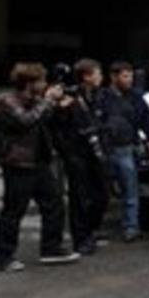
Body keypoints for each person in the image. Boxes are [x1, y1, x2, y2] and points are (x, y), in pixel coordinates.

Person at [0, 63, 80, 271]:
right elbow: (25, 121)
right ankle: (1, 256)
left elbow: (46, 121)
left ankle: (51, 248)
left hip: (39, 161)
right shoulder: (7, 101)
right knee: (13, 211)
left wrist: (59, 106)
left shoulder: (36, 101)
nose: (44, 84)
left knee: (55, 203)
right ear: (28, 83)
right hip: (17, 163)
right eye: (40, 81)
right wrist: (47, 101)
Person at [98, 60, 149, 242]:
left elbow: (147, 119)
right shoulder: (102, 97)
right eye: (125, 76)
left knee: (130, 189)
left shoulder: (135, 98)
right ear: (114, 77)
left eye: (130, 76)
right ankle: (95, 226)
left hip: (126, 147)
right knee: (100, 191)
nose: (129, 80)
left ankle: (131, 227)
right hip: (105, 148)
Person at [52, 58, 109, 255]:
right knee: (80, 196)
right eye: (97, 73)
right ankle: (81, 237)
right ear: (86, 76)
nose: (100, 77)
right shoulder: (70, 95)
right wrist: (62, 108)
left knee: (102, 194)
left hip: (95, 148)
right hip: (76, 150)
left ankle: (92, 229)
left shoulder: (99, 95)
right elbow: (58, 123)